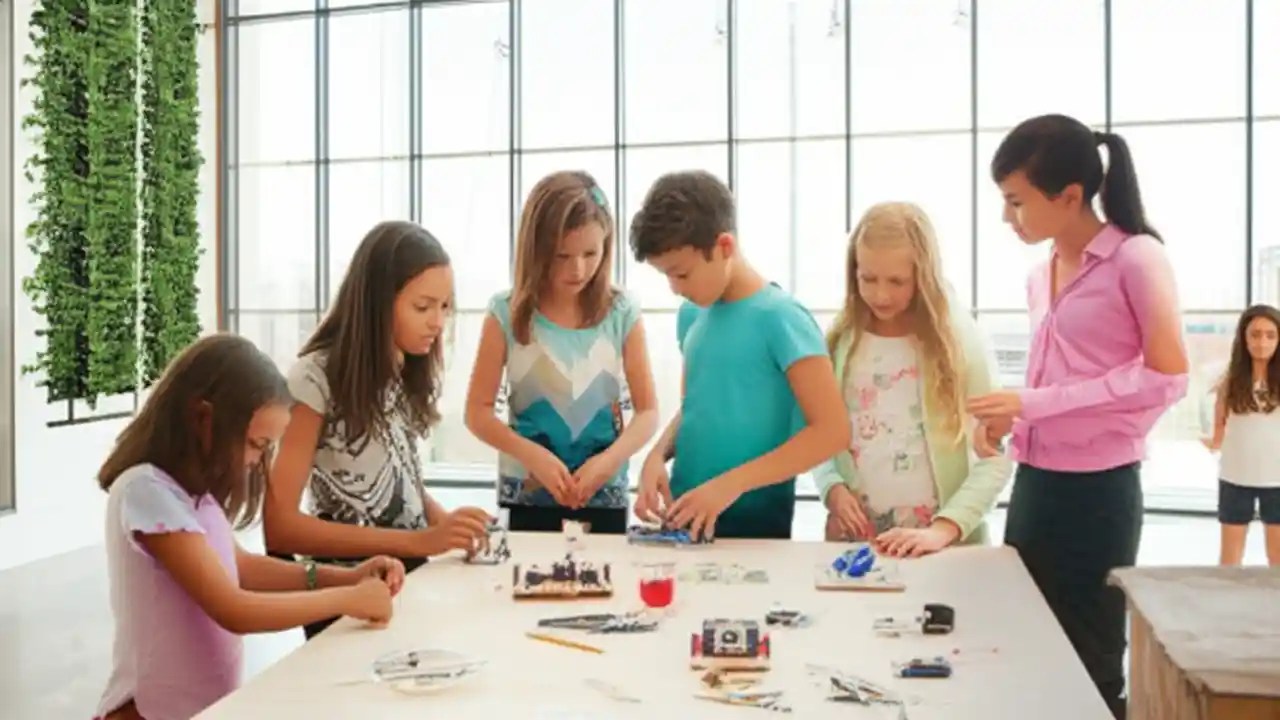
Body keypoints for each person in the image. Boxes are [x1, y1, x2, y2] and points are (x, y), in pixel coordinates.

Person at [968, 114, 1189, 719]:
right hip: (1036, 482)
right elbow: (1063, 378)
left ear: (1068, 197)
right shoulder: (1041, 275)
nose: (1007, 217)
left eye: (1016, 202)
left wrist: (1034, 404)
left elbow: (1168, 375)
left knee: (1091, 658)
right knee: (1024, 638)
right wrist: (1012, 420)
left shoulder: (1137, 258)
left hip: (1100, 492)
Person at [95, 334, 402, 720]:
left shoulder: (195, 496)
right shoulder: (145, 490)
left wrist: (346, 578)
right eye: (257, 444)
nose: (258, 462)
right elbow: (233, 608)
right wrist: (347, 601)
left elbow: (241, 567)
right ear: (204, 419)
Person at [264, 221, 491, 639]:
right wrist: (423, 541)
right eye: (423, 308)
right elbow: (280, 526)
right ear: (376, 303)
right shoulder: (313, 379)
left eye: (445, 307)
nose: (437, 322)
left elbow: (398, 483)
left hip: (408, 584)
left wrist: (450, 528)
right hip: (349, 595)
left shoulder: (400, 367)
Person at [628, 170, 851, 541]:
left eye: (681, 274)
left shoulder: (782, 318)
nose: (674, 288)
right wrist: (657, 455)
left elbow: (832, 432)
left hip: (756, 530)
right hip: (684, 523)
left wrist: (729, 486)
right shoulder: (692, 314)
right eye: (666, 276)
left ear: (725, 247)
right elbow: (698, 404)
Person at [813, 202, 1011, 556]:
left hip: (944, 551)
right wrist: (832, 488)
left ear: (923, 275)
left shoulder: (959, 342)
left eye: (897, 281)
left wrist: (943, 529)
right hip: (857, 546)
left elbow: (995, 456)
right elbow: (817, 430)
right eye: (868, 279)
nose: (880, 295)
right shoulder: (841, 339)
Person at [465, 171, 658, 534]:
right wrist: (530, 454)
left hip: (604, 495)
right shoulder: (505, 313)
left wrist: (609, 462)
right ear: (535, 249)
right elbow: (477, 413)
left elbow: (648, 412)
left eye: (591, 253)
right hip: (528, 496)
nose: (578, 269)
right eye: (562, 255)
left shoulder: (622, 313)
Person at [1202, 304, 1280, 567]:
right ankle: (1226, 607)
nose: (1262, 342)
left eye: (1270, 335)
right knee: (1230, 560)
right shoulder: (1230, 380)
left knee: (1277, 559)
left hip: (1277, 480)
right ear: (1244, 338)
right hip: (1235, 478)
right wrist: (1214, 441)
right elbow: (1220, 419)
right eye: (1255, 334)